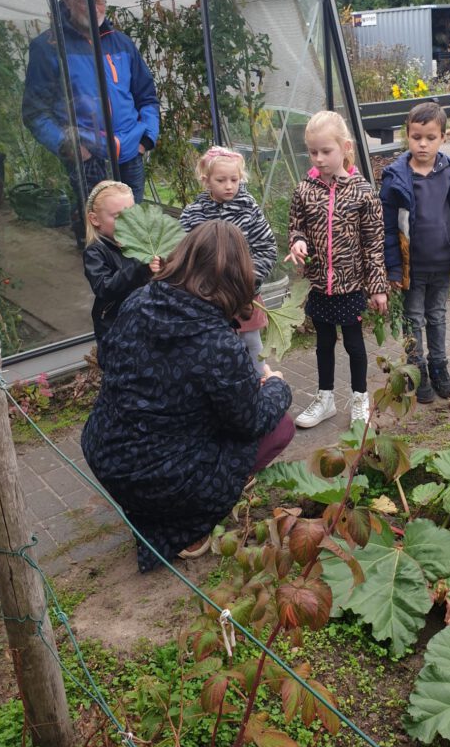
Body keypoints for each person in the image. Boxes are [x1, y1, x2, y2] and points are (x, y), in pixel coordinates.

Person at [81, 221, 295, 571]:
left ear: (183, 257)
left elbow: (107, 358)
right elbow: (251, 421)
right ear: (237, 277)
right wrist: (276, 386)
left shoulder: (138, 300)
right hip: (162, 477)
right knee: (280, 426)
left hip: (106, 453)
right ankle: (188, 525)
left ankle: (164, 506)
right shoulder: (217, 342)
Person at [22, 0, 160, 244]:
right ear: (68, 1)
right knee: (99, 235)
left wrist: (145, 140)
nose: (97, 8)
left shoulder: (121, 43)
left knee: (133, 227)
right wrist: (71, 147)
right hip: (88, 157)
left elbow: (147, 97)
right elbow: (35, 113)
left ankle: (133, 268)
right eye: (87, 1)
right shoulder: (49, 47)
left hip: (130, 153)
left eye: (100, 1)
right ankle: (98, 268)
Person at [287, 110, 388, 428]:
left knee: (355, 344)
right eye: (312, 152)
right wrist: (298, 242)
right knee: (323, 343)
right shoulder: (304, 190)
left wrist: (378, 287)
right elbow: (296, 226)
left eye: (325, 151)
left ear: (345, 148)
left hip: (351, 285)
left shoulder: (363, 192)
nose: (318, 159)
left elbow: (374, 244)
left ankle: (360, 398)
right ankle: (325, 398)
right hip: (319, 284)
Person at [380, 101, 450, 403]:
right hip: (412, 267)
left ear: (443, 138)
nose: (423, 144)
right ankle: (416, 370)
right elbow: (388, 229)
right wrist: (393, 268)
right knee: (413, 318)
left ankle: (439, 366)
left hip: (442, 264)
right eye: (416, 137)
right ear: (407, 136)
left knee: (437, 316)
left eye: (430, 138)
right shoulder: (397, 177)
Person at [180, 145, 276, 372]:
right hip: (208, 297)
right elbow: (183, 254)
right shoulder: (194, 213)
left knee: (251, 341)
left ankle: (259, 381)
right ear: (206, 180)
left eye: (234, 179)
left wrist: (248, 277)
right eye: (221, 180)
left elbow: (267, 248)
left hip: (244, 294)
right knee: (215, 345)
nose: (229, 186)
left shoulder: (249, 209)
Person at [82, 180, 160, 343]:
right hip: (116, 330)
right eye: (118, 217)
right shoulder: (95, 252)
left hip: (145, 321)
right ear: (95, 219)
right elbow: (104, 288)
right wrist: (139, 263)